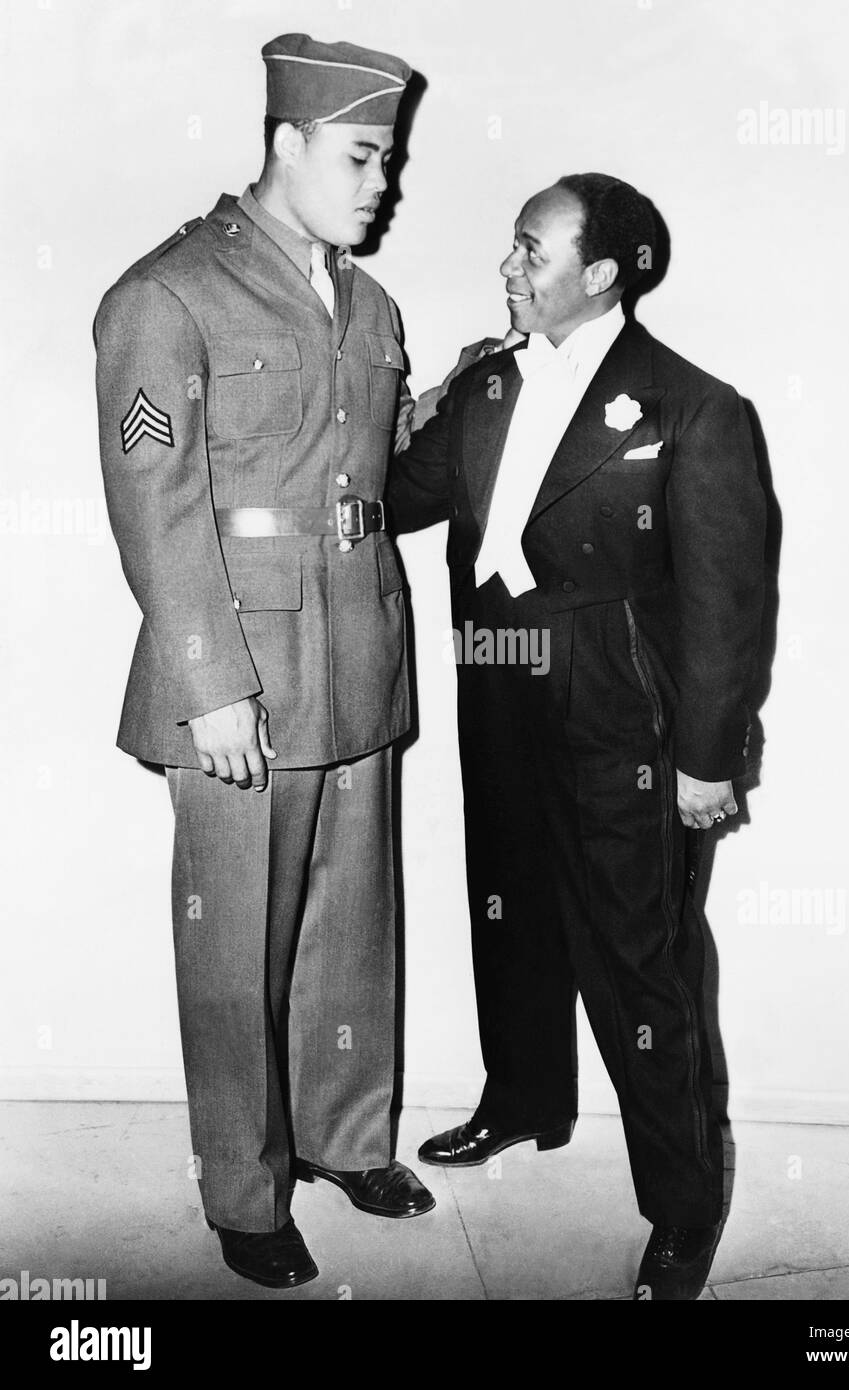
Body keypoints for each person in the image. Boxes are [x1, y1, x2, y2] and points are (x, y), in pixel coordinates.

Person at [93, 33, 434, 1291]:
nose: (382, 184)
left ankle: (346, 1138)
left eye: (388, 161)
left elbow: (372, 465)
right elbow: (156, 507)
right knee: (234, 944)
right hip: (240, 666)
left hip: (359, 651)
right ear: (287, 143)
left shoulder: (371, 305)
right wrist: (212, 685)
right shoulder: (168, 295)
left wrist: (468, 400)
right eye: (361, 157)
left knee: (352, 925)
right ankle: (244, 1188)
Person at [387, 173, 766, 1300]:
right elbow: (400, 497)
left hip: (619, 706)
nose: (508, 266)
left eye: (530, 249)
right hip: (498, 680)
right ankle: (522, 1099)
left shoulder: (693, 407)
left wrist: (704, 757)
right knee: (506, 905)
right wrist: (408, 395)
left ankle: (683, 1208)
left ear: (600, 273)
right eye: (512, 246)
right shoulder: (488, 382)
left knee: (640, 960)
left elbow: (728, 605)